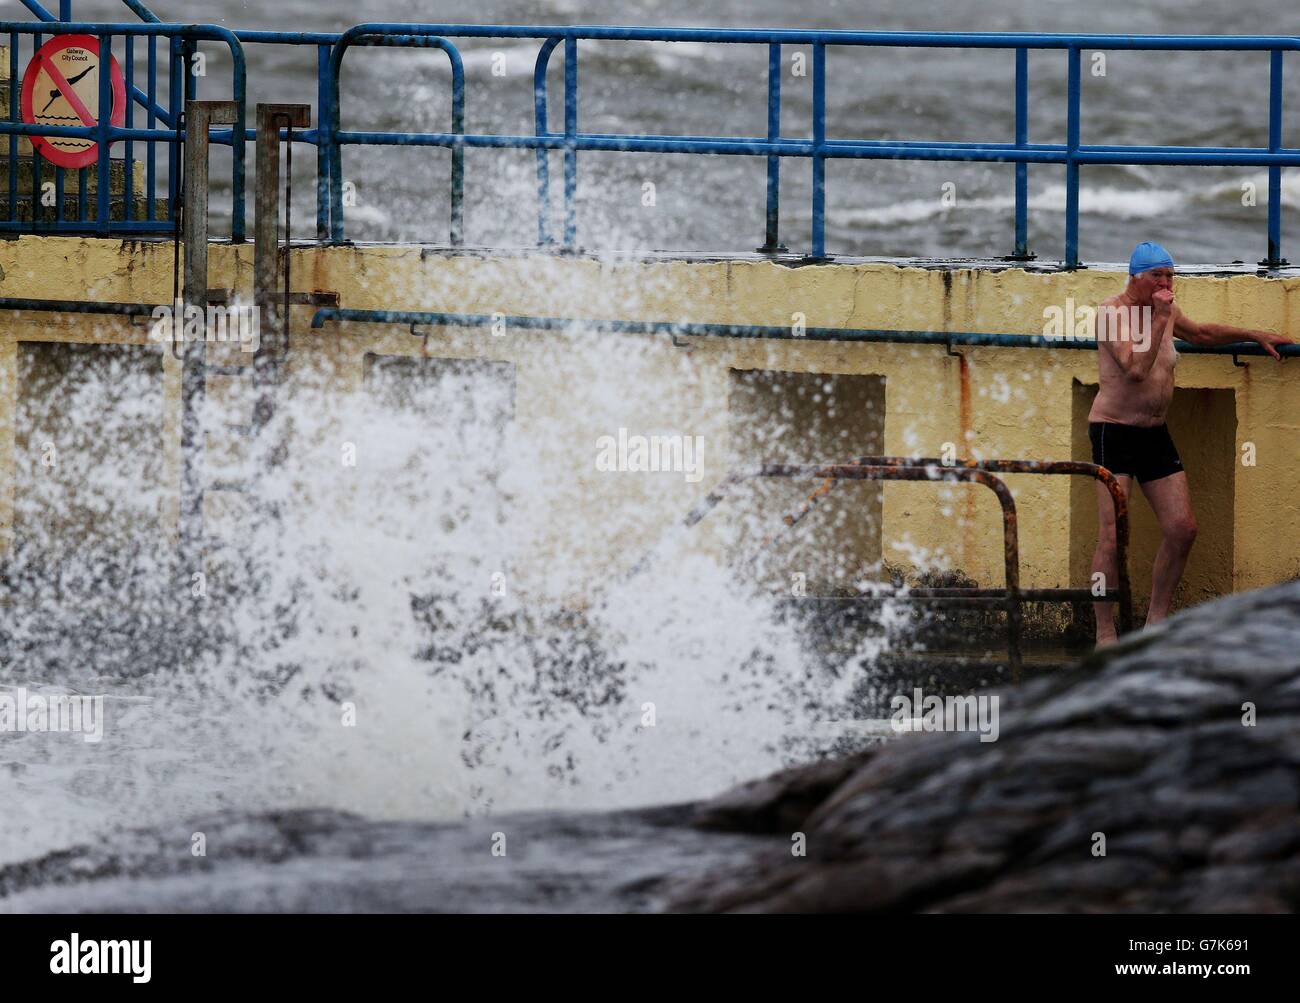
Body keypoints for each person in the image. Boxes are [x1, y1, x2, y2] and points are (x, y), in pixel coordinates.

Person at [1088, 241, 1293, 645]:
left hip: (1154, 432)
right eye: (1156, 277)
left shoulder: (1165, 311)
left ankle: (1155, 626)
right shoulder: (1113, 312)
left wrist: (1253, 334)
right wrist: (1162, 317)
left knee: (1183, 529)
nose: (1166, 283)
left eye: (1170, 275)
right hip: (1115, 430)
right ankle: (1105, 632)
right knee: (1111, 536)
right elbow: (1134, 369)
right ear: (1135, 278)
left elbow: (1199, 333)